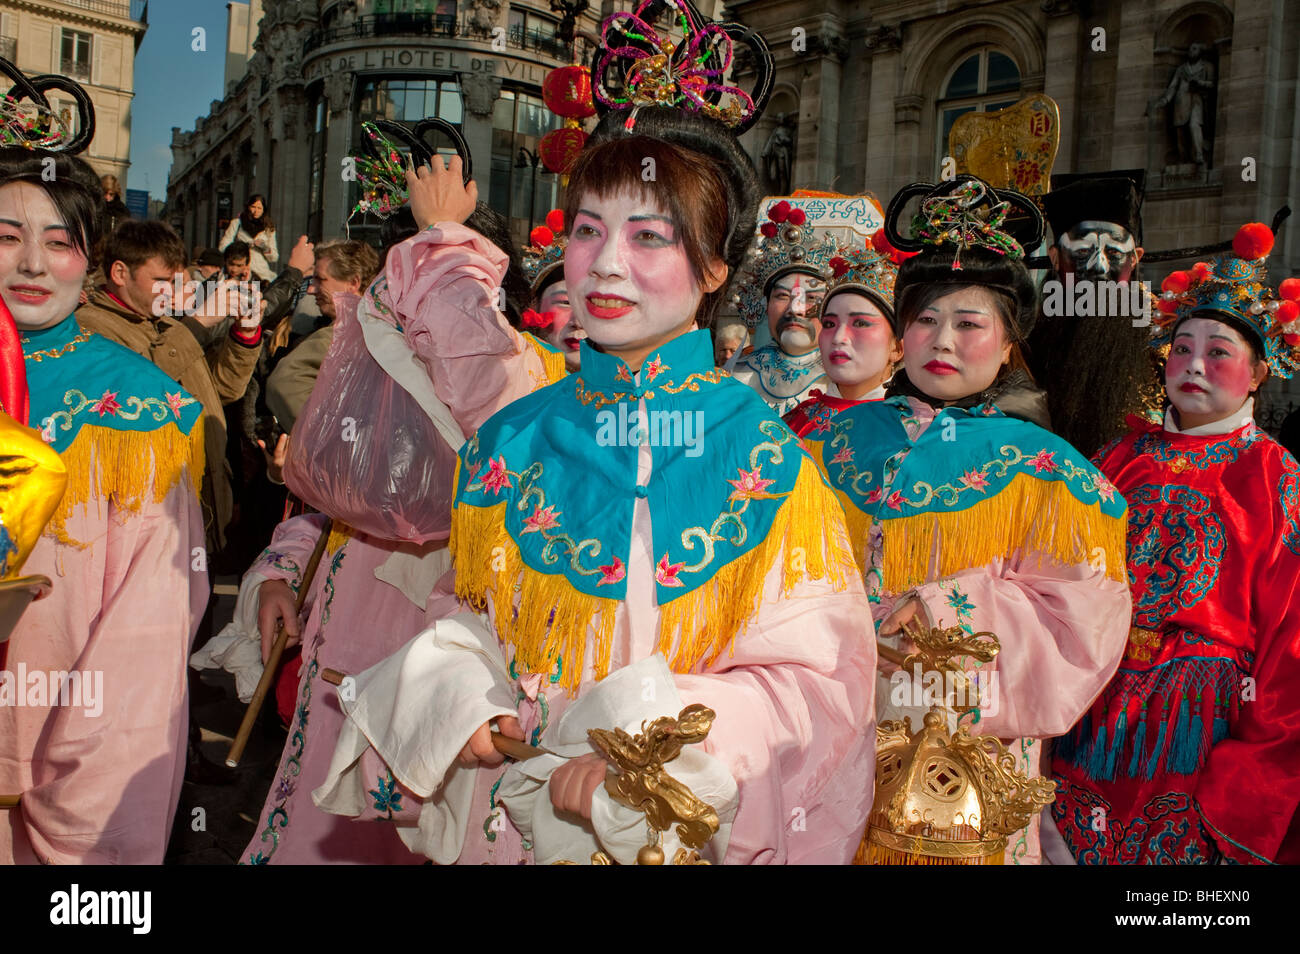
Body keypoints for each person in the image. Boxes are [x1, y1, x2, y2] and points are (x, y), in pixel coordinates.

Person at [311, 2, 876, 865]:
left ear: (716, 267)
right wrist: (469, 707)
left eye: (650, 237)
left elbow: (815, 688)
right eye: (587, 230)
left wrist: (655, 754)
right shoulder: (514, 434)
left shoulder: (767, 459)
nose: (606, 264)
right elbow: (464, 612)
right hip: (505, 823)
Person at [198, 136, 566, 864]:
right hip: (336, 677)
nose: (406, 304)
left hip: (438, 695)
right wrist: (276, 573)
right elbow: (335, 506)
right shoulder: (384, 372)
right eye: (400, 286)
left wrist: (442, 239)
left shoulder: (532, 386)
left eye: (425, 284)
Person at [815, 175, 1131, 864]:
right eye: (926, 318)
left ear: (1011, 342)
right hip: (826, 724)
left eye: (969, 323)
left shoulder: (1053, 472)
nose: (943, 341)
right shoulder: (826, 443)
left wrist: (949, 609)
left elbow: (1084, 623)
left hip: (962, 745)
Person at [1050, 223, 1300, 864]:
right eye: (1180, 347)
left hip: (1203, 726)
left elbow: (1291, 649)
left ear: (1260, 373)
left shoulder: (1277, 477)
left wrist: (1250, 778)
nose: (1192, 363)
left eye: (1218, 351)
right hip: (1092, 708)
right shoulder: (1119, 457)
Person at [0, 141, 206, 864]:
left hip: (49, 778)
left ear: (88, 262)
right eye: (6, 237)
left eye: (59, 242)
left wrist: (79, 811)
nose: (31, 264)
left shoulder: (141, 412)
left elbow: (141, 650)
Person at [73, 219, 262, 554]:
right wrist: (199, 324)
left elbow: (221, 391)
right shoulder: (89, 326)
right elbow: (135, 396)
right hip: (143, 528)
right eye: (161, 282)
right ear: (119, 273)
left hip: (195, 515)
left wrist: (244, 338)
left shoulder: (165, 324)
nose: (173, 294)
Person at [1027, 174, 1162, 456]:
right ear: (1055, 258)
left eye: (1113, 252)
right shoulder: (1026, 341)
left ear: (1134, 258)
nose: (1098, 266)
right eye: (1081, 251)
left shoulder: (1164, 339)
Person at [784, 235, 903, 438]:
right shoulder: (793, 425)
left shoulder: (914, 429)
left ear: (897, 348)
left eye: (860, 323)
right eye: (829, 324)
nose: (839, 337)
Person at [730, 198, 838, 414]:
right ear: (764, 305)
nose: (795, 309)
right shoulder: (736, 379)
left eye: (811, 298)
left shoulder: (845, 378)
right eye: (782, 296)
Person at [263, 239, 379, 435]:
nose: (310, 289)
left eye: (320, 280)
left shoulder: (343, 335)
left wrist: (328, 441)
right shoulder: (382, 327)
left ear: (353, 283)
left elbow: (283, 384)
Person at [219, 193, 278, 283]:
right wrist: (241, 247)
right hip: (238, 270)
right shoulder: (237, 223)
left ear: (264, 210)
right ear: (248, 207)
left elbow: (274, 257)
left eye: (259, 208)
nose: (256, 211)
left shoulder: (269, 228)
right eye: (253, 207)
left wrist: (264, 247)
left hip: (260, 272)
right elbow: (223, 246)